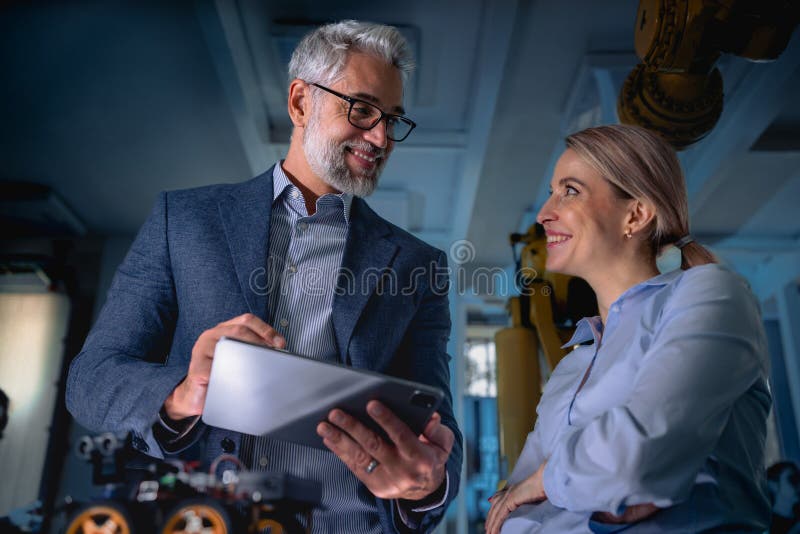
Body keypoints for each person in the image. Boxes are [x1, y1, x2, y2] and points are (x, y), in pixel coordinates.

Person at [66, 20, 462, 533]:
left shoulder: (417, 266)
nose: (381, 136)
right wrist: (185, 391)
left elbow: (439, 429)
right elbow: (91, 378)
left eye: (393, 119)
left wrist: (427, 484)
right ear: (300, 102)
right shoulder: (183, 220)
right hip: (207, 520)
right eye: (362, 109)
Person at [485, 124, 771, 533]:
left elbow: (639, 454)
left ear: (635, 214)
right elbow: (513, 512)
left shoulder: (712, 293)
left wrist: (551, 481)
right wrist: (584, 487)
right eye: (551, 191)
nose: (544, 213)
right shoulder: (573, 367)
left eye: (569, 190)